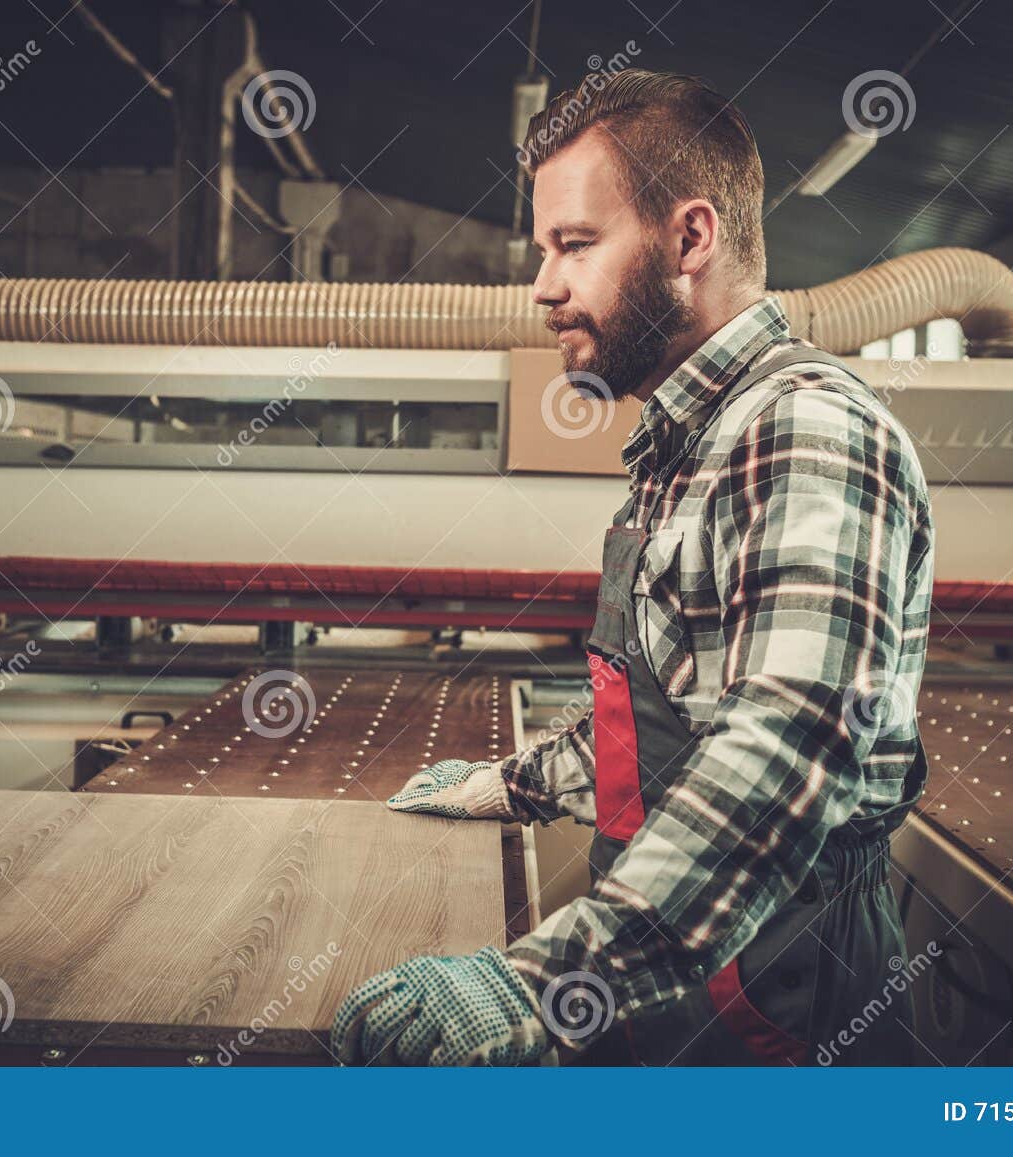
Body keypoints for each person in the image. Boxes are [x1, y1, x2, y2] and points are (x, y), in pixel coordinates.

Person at [333, 69, 933, 1067]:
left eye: (574, 245)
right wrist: (512, 783)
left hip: (779, 993)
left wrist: (541, 983)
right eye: (542, 250)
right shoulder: (686, 440)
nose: (543, 286)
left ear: (689, 239)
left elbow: (779, 750)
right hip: (677, 974)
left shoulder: (803, 427)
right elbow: (663, 717)